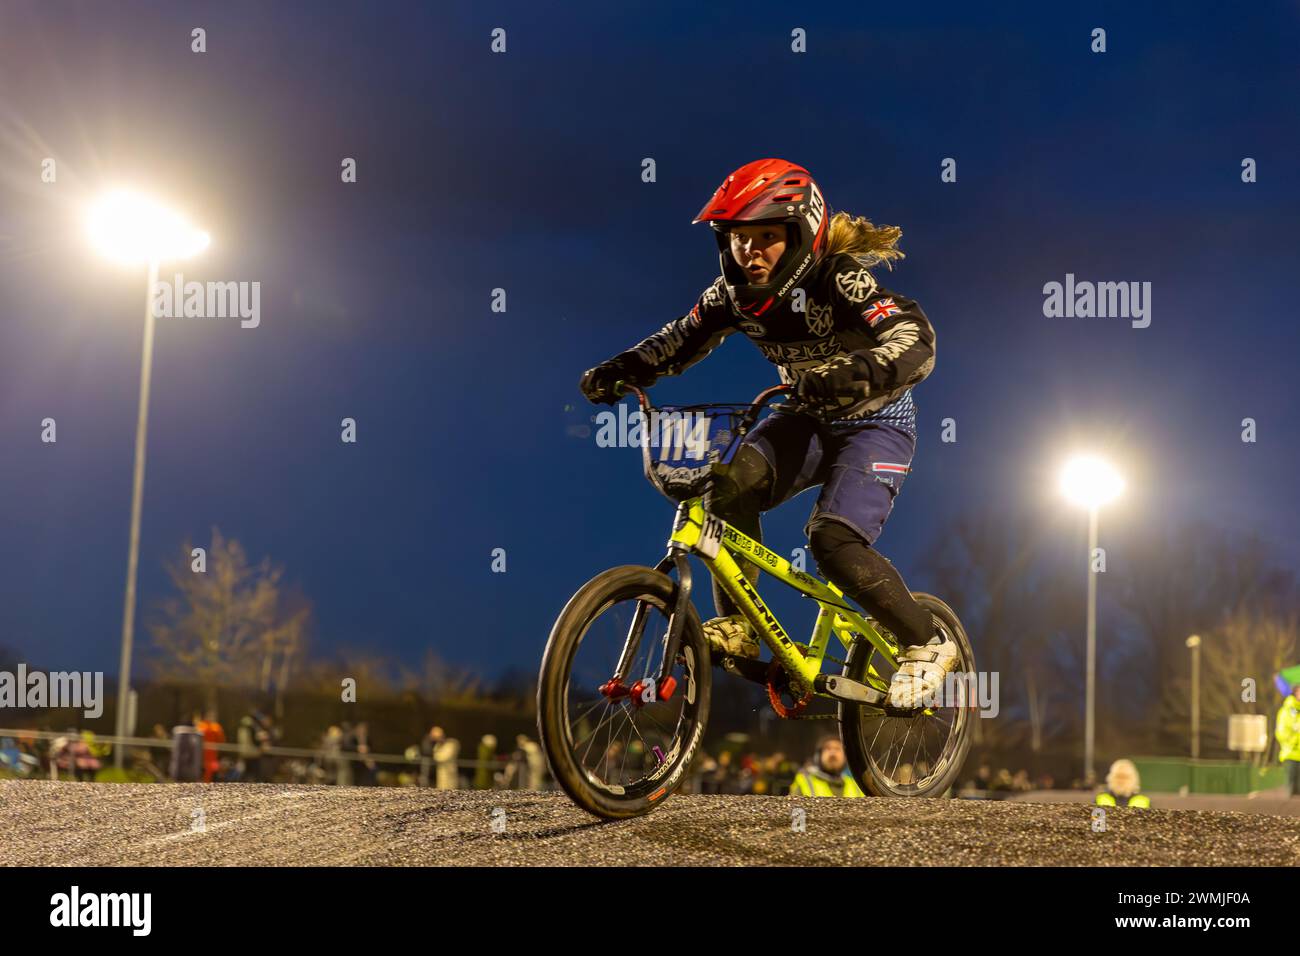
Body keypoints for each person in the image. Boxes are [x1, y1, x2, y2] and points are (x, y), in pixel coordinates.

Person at [579, 158, 956, 709]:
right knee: (725, 484)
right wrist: (623, 368)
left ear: (801, 235)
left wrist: (853, 373)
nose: (750, 253)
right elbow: (678, 339)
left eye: (767, 238)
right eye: (737, 239)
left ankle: (926, 642)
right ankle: (739, 626)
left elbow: (913, 338)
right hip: (803, 417)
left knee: (831, 542)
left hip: (876, 423)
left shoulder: (838, 277)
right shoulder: (731, 295)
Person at [790, 736, 865, 798]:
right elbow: (796, 814)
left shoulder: (857, 785)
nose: (832, 753)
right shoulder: (804, 781)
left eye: (837, 749)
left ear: (846, 757)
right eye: (828, 748)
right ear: (818, 757)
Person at [1275, 684, 1300, 797]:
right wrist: (1295, 738)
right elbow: (1282, 733)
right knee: (1291, 790)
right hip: (1291, 754)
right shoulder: (1286, 711)